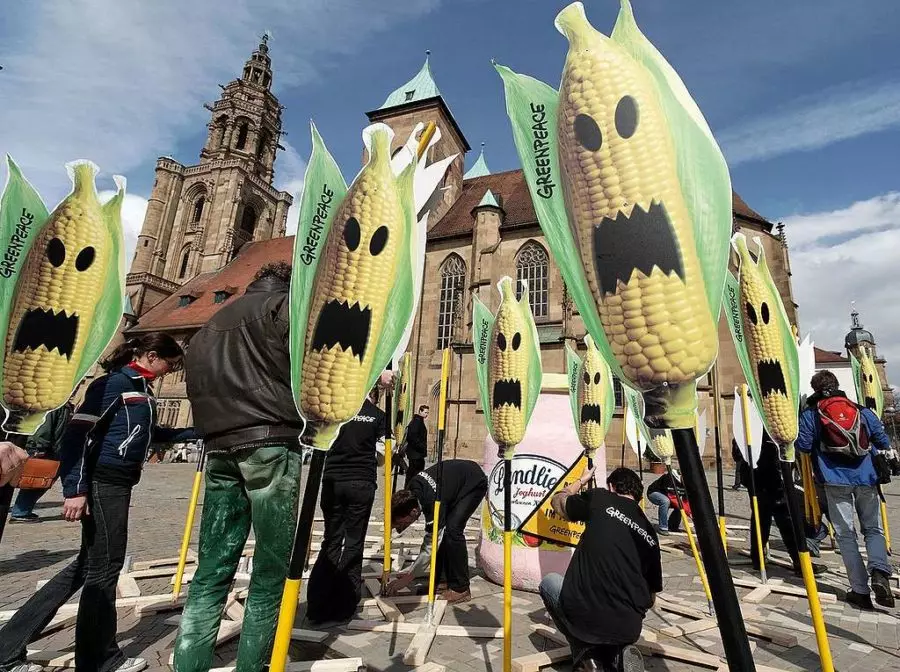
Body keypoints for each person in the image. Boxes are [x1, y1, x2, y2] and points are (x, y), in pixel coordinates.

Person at [0, 333, 194, 672]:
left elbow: (149, 434)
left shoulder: (142, 388)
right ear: (150, 355)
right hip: (105, 482)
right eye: (170, 363)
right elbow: (76, 436)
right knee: (105, 567)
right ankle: (99, 659)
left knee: (85, 567)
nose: (170, 371)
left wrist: (199, 431)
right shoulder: (112, 384)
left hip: (118, 480)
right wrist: (75, 489)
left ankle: (7, 646)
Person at [174, 262, 306, 672]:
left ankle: (188, 663)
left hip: (217, 449)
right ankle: (254, 665)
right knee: (270, 570)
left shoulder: (206, 328)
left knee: (213, 566)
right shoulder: (283, 307)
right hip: (270, 441)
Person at [539, 467, 659, 672]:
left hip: (586, 613)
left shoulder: (601, 498)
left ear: (612, 486)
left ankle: (588, 657)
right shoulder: (650, 534)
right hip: (629, 626)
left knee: (549, 582)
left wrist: (580, 481)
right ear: (638, 497)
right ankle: (618, 655)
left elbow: (559, 502)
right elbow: (651, 597)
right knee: (610, 627)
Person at [797, 370, 894, 610]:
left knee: (845, 535)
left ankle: (860, 591)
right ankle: (880, 571)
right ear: (837, 385)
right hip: (866, 477)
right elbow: (882, 440)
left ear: (816, 389)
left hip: (833, 479)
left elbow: (804, 445)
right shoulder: (860, 409)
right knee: (873, 529)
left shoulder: (812, 413)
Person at [306, 386, 386, 625]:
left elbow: (316, 441)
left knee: (331, 541)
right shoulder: (378, 415)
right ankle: (344, 606)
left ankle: (318, 607)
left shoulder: (334, 410)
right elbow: (382, 456)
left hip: (333, 481)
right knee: (353, 544)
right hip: (361, 483)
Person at [385, 459, 487, 604]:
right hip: (452, 484)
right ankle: (441, 581)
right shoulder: (411, 490)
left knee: (453, 530)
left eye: (402, 523)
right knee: (442, 530)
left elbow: (430, 545)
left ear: (414, 512)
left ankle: (461, 588)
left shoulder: (430, 502)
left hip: (473, 483)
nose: (402, 528)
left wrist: (410, 577)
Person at [9, 403, 73, 523]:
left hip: (51, 447)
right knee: (39, 478)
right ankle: (20, 511)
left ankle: (21, 510)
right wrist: (39, 447)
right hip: (45, 448)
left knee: (39, 478)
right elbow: (43, 427)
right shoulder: (52, 404)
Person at [646, 470, 687, 535]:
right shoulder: (670, 478)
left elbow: (686, 503)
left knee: (680, 505)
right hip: (654, 493)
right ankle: (663, 528)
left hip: (670, 497)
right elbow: (671, 496)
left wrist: (690, 513)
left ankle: (673, 526)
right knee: (665, 501)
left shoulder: (687, 485)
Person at [403, 405, 429, 486]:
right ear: (420, 411)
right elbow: (412, 437)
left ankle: (410, 489)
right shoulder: (417, 421)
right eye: (425, 412)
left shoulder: (418, 421)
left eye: (428, 412)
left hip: (417, 454)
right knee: (414, 474)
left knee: (414, 474)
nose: (427, 414)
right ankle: (410, 490)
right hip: (415, 454)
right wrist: (421, 447)